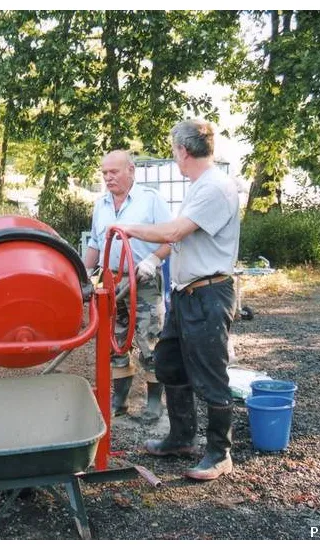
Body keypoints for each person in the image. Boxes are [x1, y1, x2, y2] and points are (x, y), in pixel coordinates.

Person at [110, 119, 240, 481]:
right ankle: (181, 437)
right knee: (168, 362)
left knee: (211, 374)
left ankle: (219, 453)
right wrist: (154, 260)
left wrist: (127, 229)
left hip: (209, 294)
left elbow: (174, 232)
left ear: (183, 150)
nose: (175, 158)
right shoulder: (199, 186)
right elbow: (180, 240)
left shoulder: (215, 187)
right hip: (185, 294)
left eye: (174, 151)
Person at [84, 150, 172, 424]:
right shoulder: (101, 205)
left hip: (142, 279)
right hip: (110, 282)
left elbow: (171, 238)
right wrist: (87, 274)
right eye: (104, 173)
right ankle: (118, 401)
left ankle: (155, 402)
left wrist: (153, 259)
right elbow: (96, 245)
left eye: (114, 172)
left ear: (131, 170)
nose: (108, 178)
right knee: (115, 342)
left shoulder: (150, 200)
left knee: (150, 340)